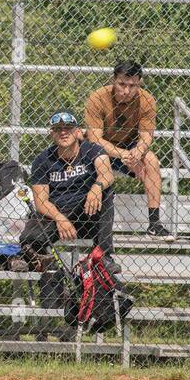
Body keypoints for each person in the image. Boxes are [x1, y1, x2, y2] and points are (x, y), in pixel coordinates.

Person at [84, 60, 172, 238]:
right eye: (122, 84)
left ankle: (154, 224)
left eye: (132, 86)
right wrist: (124, 155)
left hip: (129, 147)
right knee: (98, 156)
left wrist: (138, 152)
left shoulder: (146, 99)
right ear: (113, 80)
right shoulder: (97, 98)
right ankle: (87, 223)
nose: (126, 91)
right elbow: (94, 139)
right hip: (100, 148)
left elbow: (147, 135)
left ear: (139, 83)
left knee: (152, 161)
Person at [19, 111, 116, 269]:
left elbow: (107, 174)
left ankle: (104, 255)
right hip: (56, 215)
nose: (63, 132)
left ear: (78, 131)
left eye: (68, 128)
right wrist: (60, 218)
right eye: (58, 129)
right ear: (52, 134)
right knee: (29, 238)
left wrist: (96, 188)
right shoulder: (42, 160)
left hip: (86, 214)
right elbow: (41, 202)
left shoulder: (92, 150)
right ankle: (49, 270)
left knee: (106, 191)